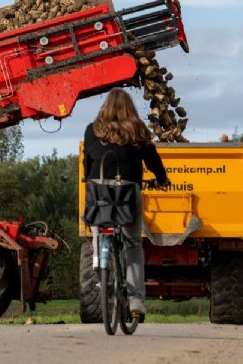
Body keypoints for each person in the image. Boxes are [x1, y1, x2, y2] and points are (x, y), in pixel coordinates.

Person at [83, 88, 169, 317]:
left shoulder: (92, 130)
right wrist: (163, 179)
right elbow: (153, 161)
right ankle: (136, 302)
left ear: (105, 106)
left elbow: (88, 160)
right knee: (132, 244)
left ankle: (97, 256)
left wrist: (87, 177)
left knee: (97, 225)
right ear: (130, 108)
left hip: (98, 190)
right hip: (128, 192)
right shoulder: (138, 130)